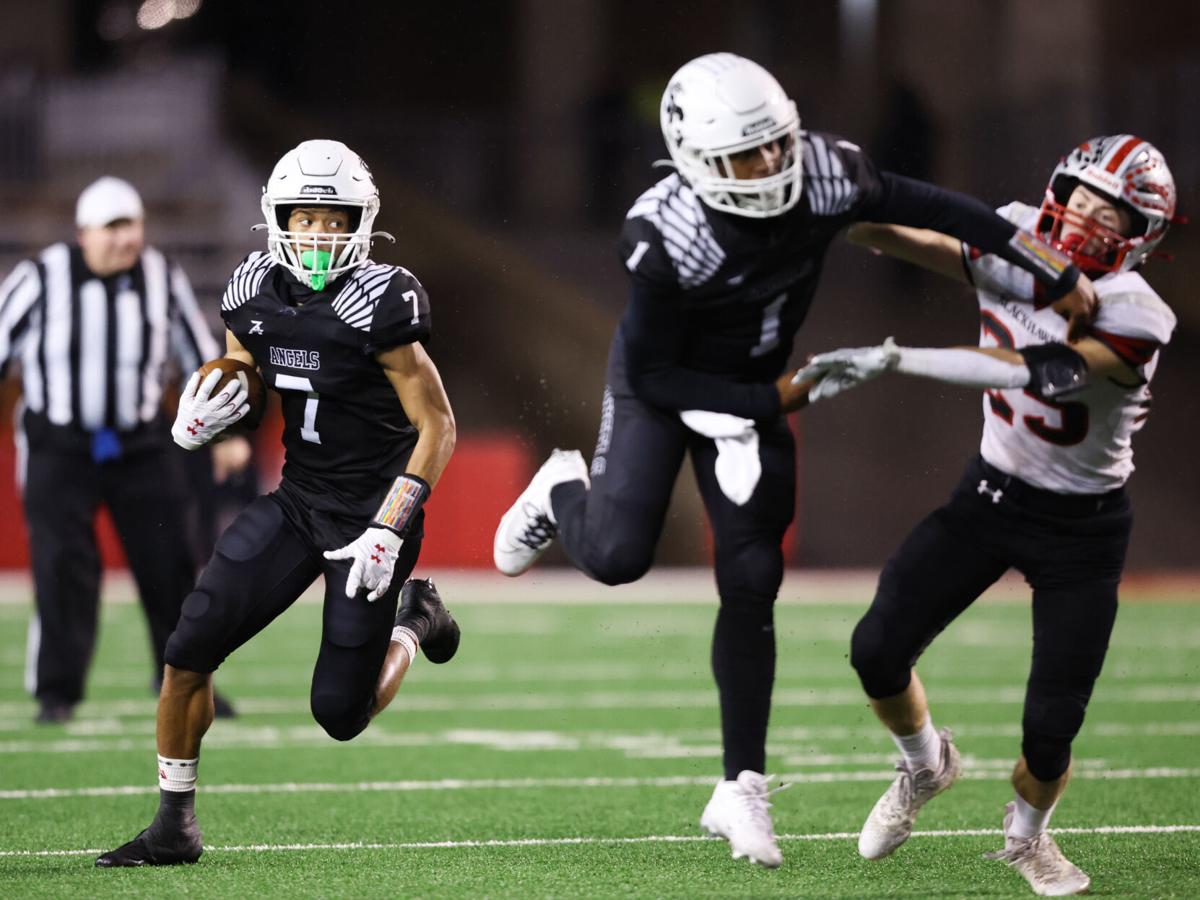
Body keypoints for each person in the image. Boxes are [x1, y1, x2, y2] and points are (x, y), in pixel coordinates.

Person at [492, 52, 1098, 868]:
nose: (771, 166)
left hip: (757, 381)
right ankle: (562, 487)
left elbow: (941, 206)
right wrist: (771, 403)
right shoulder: (665, 233)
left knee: (751, 577)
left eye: (777, 145)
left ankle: (740, 785)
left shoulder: (826, 172)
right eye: (747, 156)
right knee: (614, 555)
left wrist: (1047, 264)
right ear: (697, 159)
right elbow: (652, 373)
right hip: (670, 387)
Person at [799, 134, 1178, 896]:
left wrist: (899, 358)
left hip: (1084, 529)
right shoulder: (1016, 239)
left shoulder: (1139, 314)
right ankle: (924, 765)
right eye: (1077, 196)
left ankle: (1029, 837)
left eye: (1108, 213)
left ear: (1140, 236)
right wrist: (834, 206)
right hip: (991, 494)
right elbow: (903, 238)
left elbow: (1033, 372)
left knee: (1051, 730)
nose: (1081, 218)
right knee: (876, 647)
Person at [95, 139, 461, 867]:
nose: (320, 234)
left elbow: (439, 425)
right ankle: (174, 826)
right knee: (187, 649)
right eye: (305, 217)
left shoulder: (381, 300)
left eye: (336, 219)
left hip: (372, 519)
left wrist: (393, 524)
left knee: (339, 714)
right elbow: (246, 366)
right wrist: (213, 399)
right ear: (278, 218)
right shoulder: (254, 287)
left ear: (363, 220)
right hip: (298, 502)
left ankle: (415, 622)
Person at [0, 176, 240, 724]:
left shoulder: (161, 275)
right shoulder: (40, 277)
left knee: (172, 564)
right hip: (59, 445)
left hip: (140, 442)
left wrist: (224, 431)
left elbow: (201, 354)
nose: (126, 238)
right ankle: (56, 693)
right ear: (84, 233)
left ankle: (186, 682)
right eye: (112, 226)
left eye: (132, 224)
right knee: (62, 565)